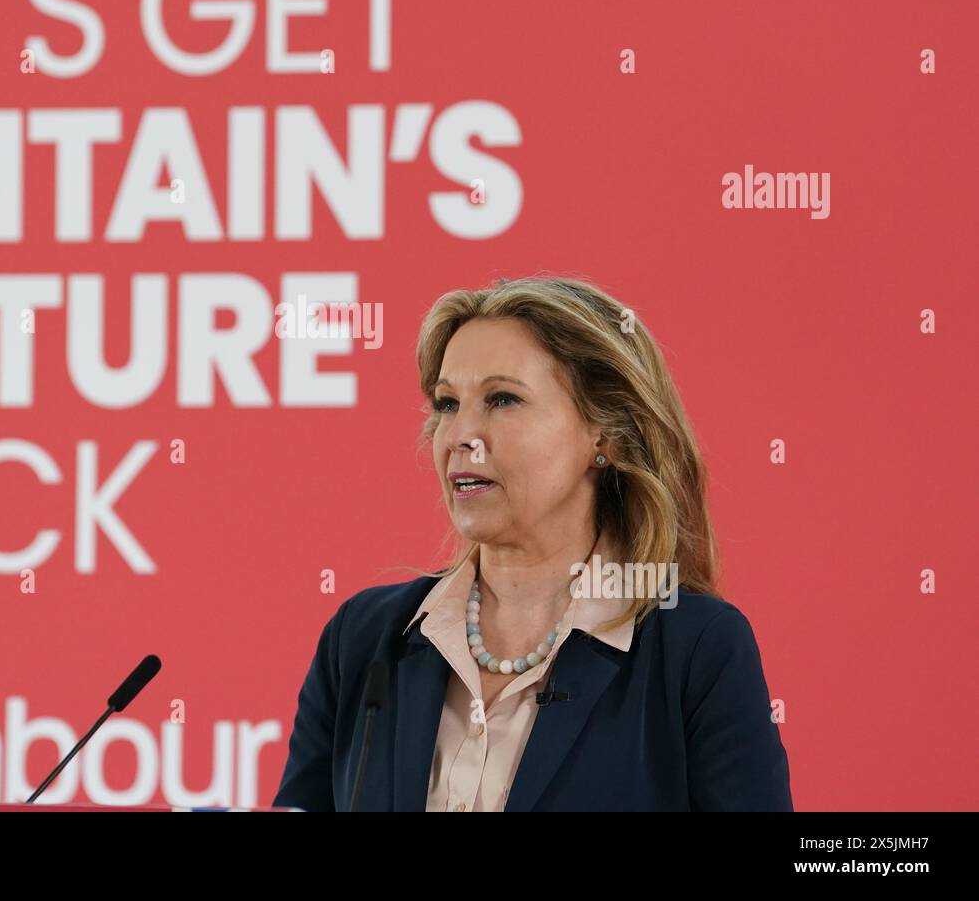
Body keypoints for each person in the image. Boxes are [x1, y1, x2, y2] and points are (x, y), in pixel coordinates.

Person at [273, 276, 793, 811]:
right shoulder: (361, 639)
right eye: (447, 404)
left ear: (605, 435)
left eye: (502, 399)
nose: (459, 436)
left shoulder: (695, 648)